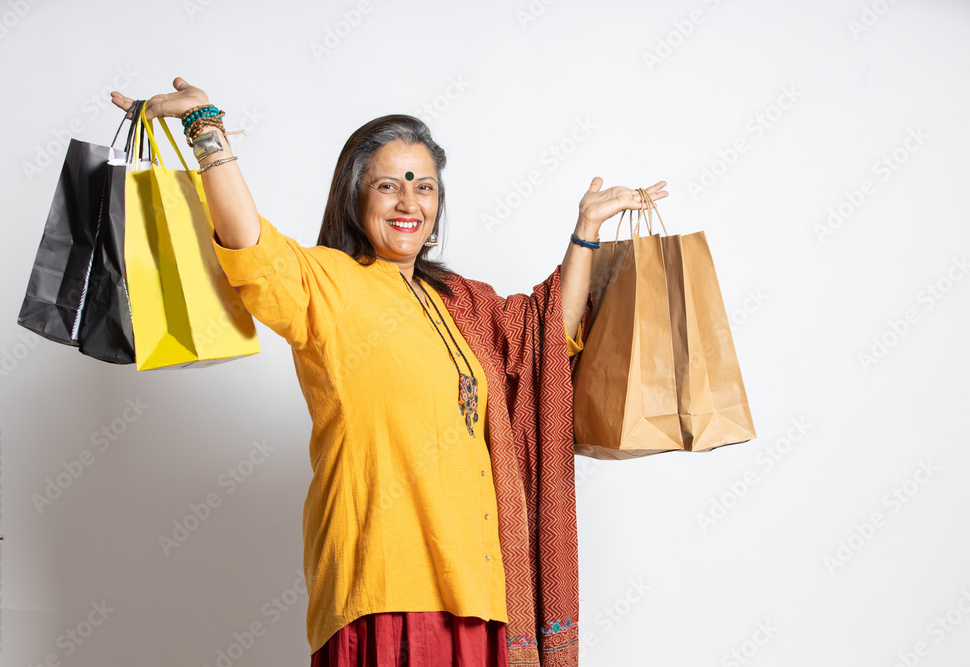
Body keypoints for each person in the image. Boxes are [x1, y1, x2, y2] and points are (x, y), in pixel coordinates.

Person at [111, 77, 666, 667]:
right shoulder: (327, 281)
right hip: (384, 587)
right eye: (388, 185)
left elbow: (545, 336)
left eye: (424, 187)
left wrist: (585, 232)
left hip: (481, 594)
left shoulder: (464, 303)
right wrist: (206, 128)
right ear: (355, 196)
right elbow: (248, 243)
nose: (409, 203)